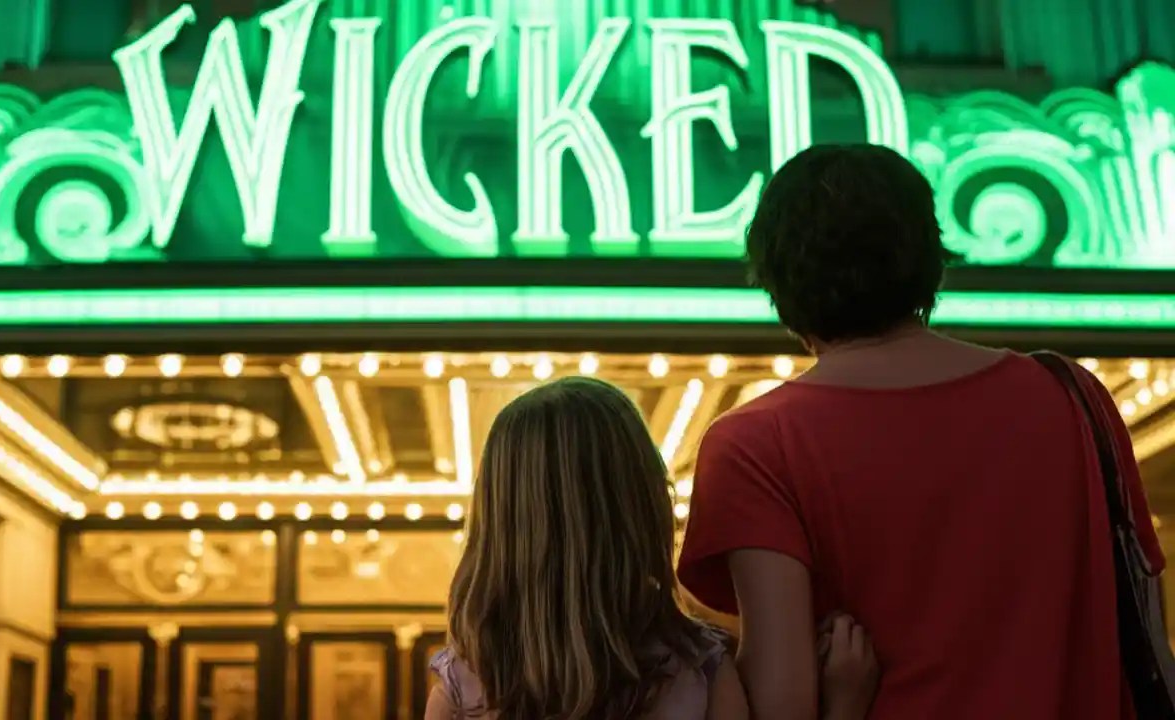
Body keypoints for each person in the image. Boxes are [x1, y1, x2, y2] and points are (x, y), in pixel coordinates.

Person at [676, 144, 1167, 719]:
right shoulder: (1071, 396)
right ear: (929, 254)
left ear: (778, 280)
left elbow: (781, 698)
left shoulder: (755, 443)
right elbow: (1147, 620)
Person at [426, 377, 879, 719]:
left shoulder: (461, 685)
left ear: (497, 523)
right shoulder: (701, 674)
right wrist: (845, 705)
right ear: (643, 506)